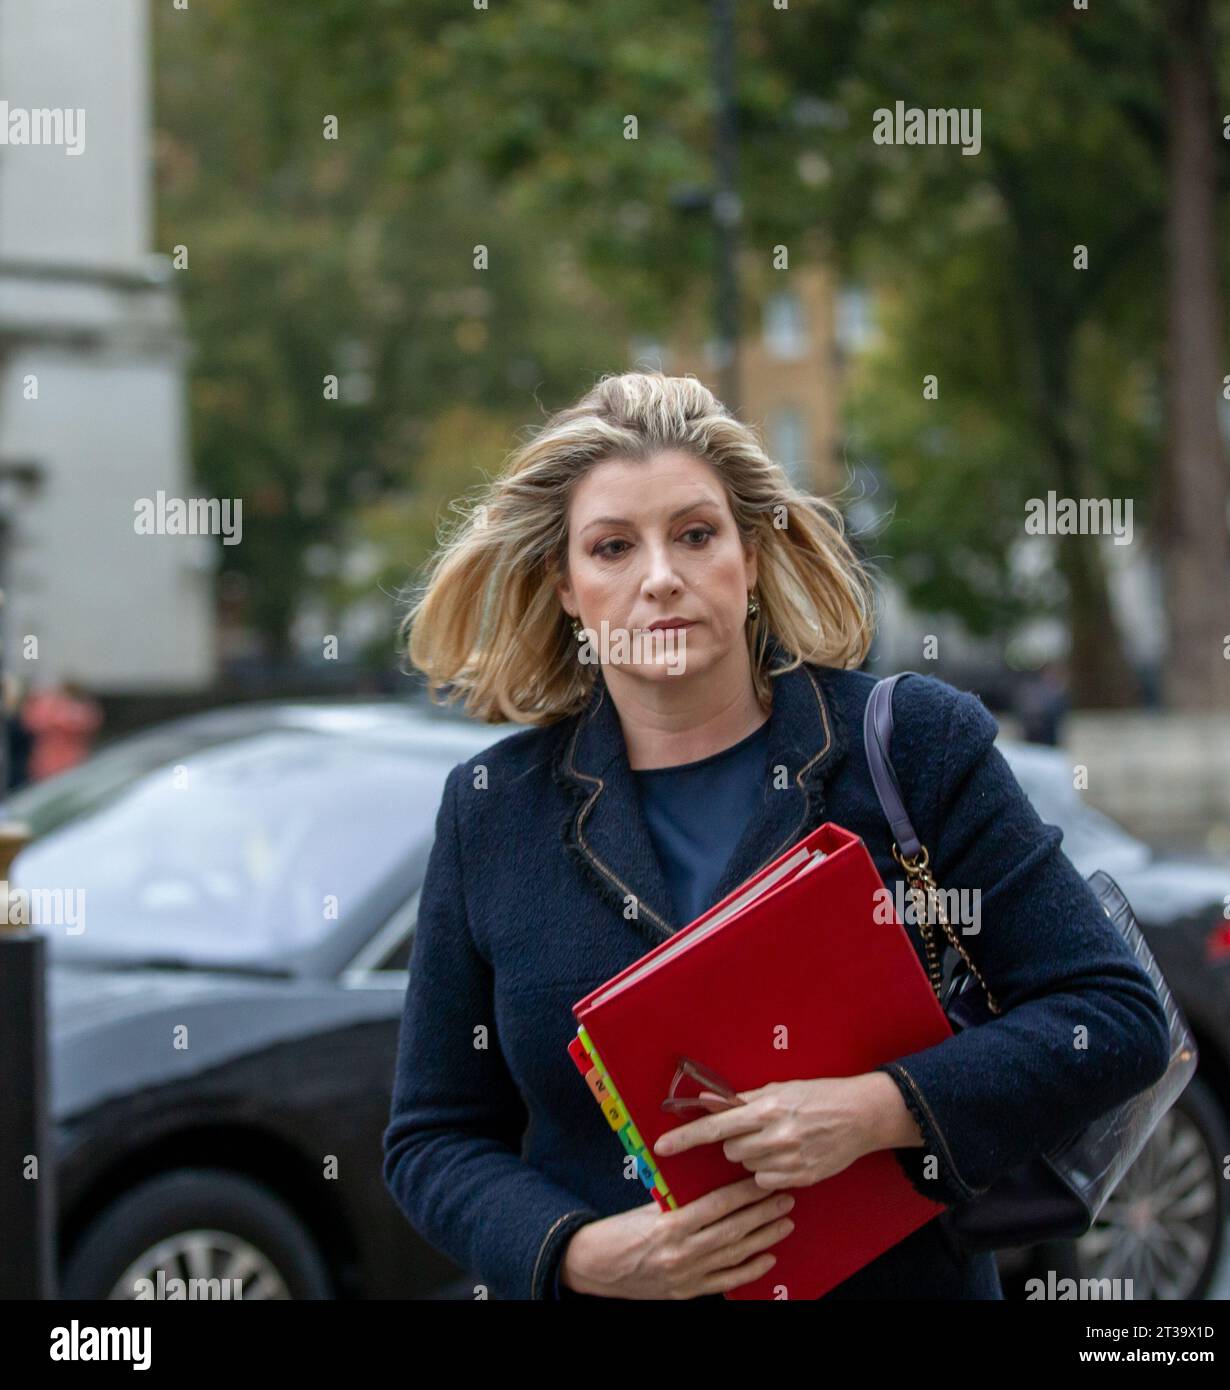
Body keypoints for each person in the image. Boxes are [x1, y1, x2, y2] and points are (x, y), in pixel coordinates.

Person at [382, 371, 1171, 1301]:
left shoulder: (911, 745)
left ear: (750, 557)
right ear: (564, 586)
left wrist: (879, 1110)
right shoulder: (492, 807)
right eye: (611, 548)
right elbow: (432, 1136)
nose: (661, 577)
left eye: (695, 534)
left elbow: (1113, 1016)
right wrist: (579, 1255)